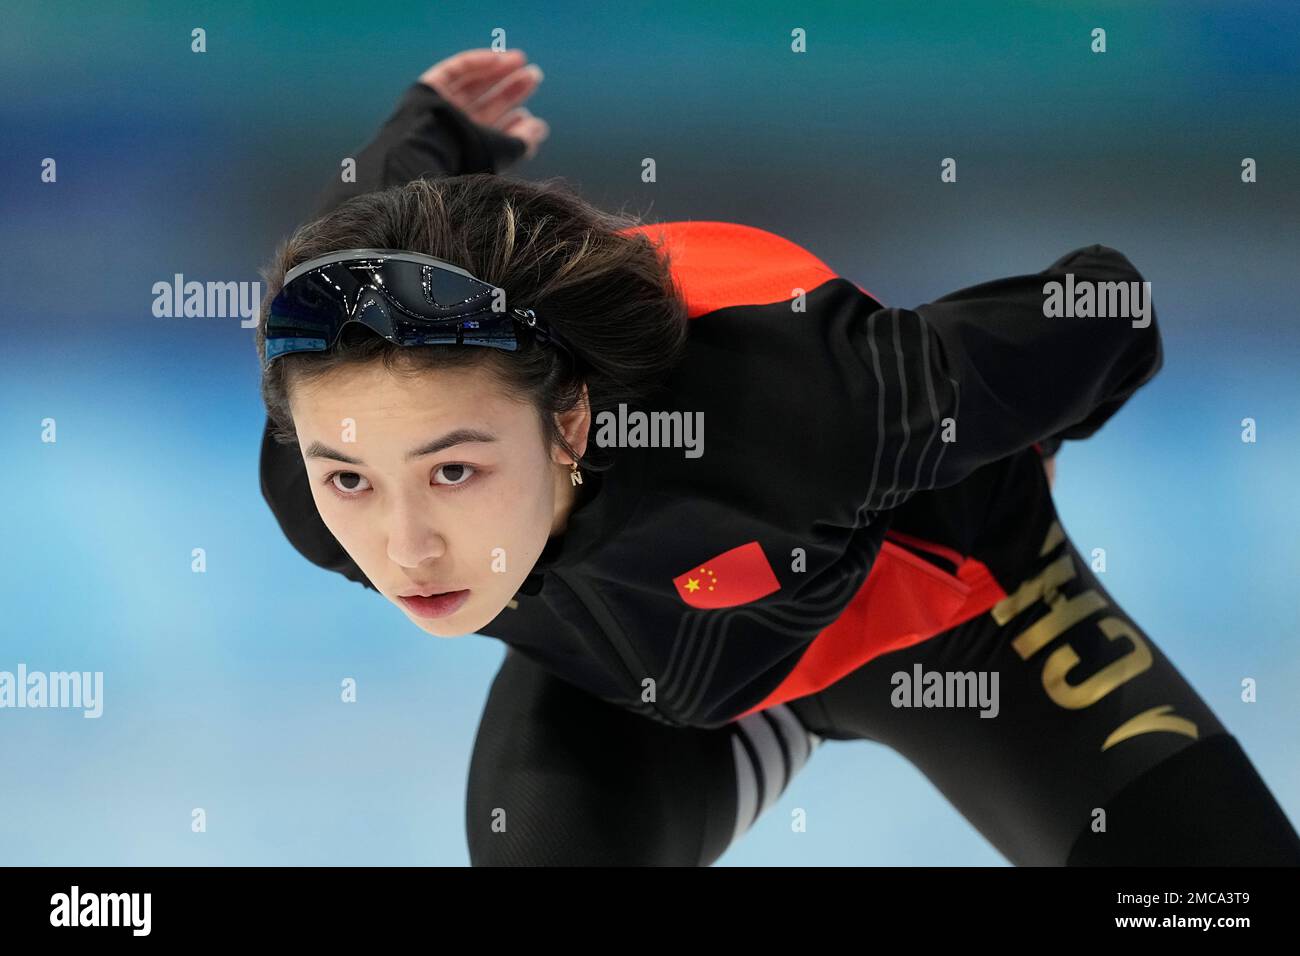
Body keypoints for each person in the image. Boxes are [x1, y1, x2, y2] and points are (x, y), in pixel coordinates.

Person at [256, 48, 1300, 865]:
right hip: (648, 695)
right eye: (350, 477)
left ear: (570, 424)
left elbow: (1105, 304)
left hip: (952, 624)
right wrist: (434, 127)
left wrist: (1031, 441)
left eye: (452, 471)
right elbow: (368, 244)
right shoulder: (324, 463)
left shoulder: (796, 412)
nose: (404, 548)